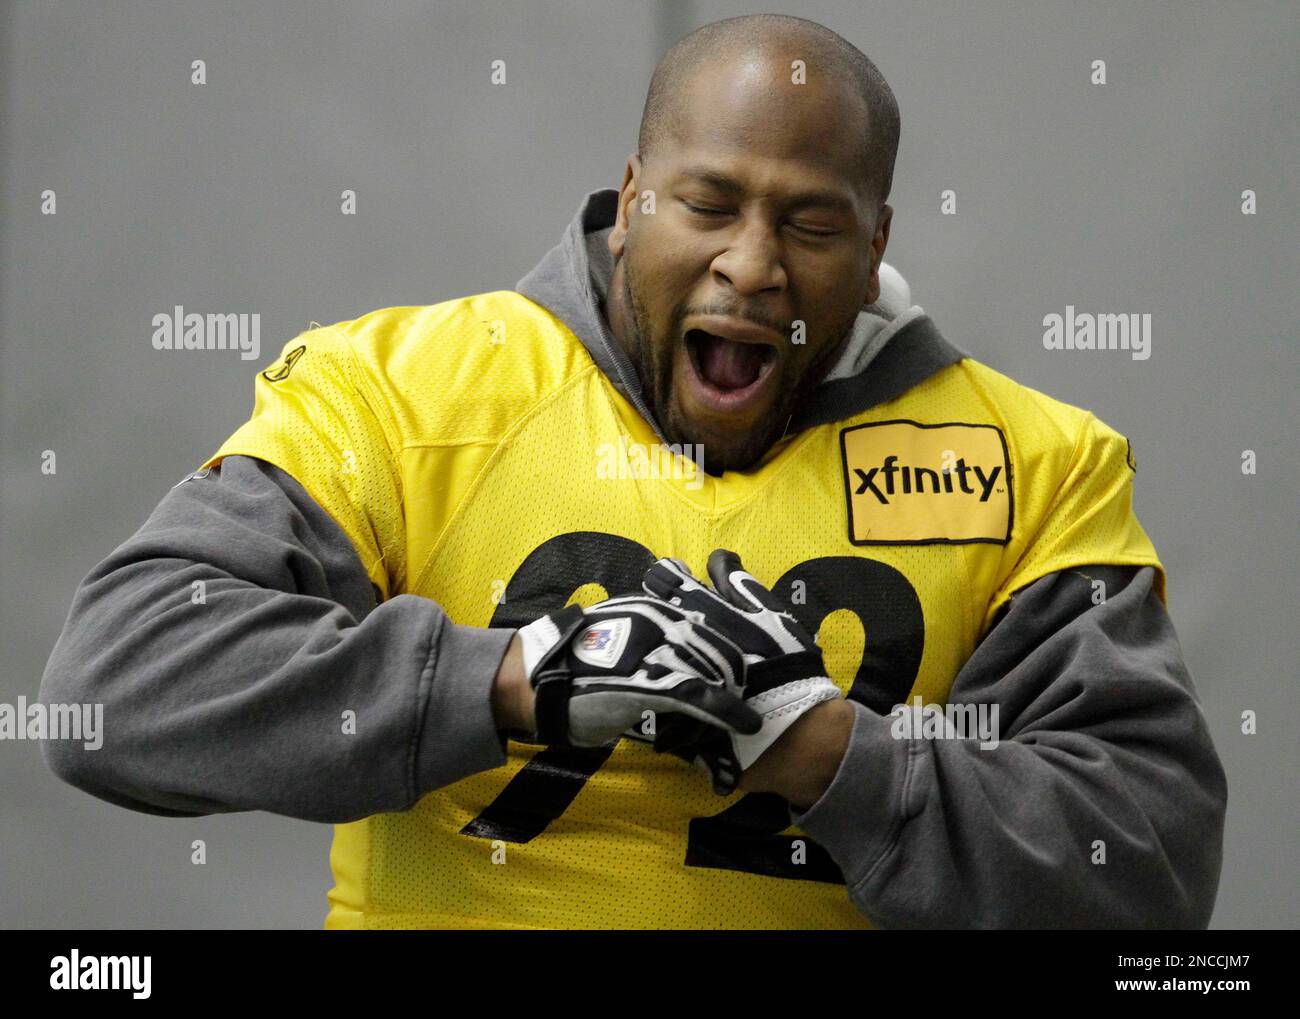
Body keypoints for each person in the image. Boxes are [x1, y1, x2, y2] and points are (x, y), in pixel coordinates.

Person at [39, 13, 1226, 929]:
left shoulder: (1032, 465)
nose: (750, 266)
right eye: (709, 203)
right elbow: (120, 686)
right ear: (635, 196)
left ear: (874, 253)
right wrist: (515, 677)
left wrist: (822, 750)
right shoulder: (399, 394)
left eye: (810, 226)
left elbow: (1148, 864)